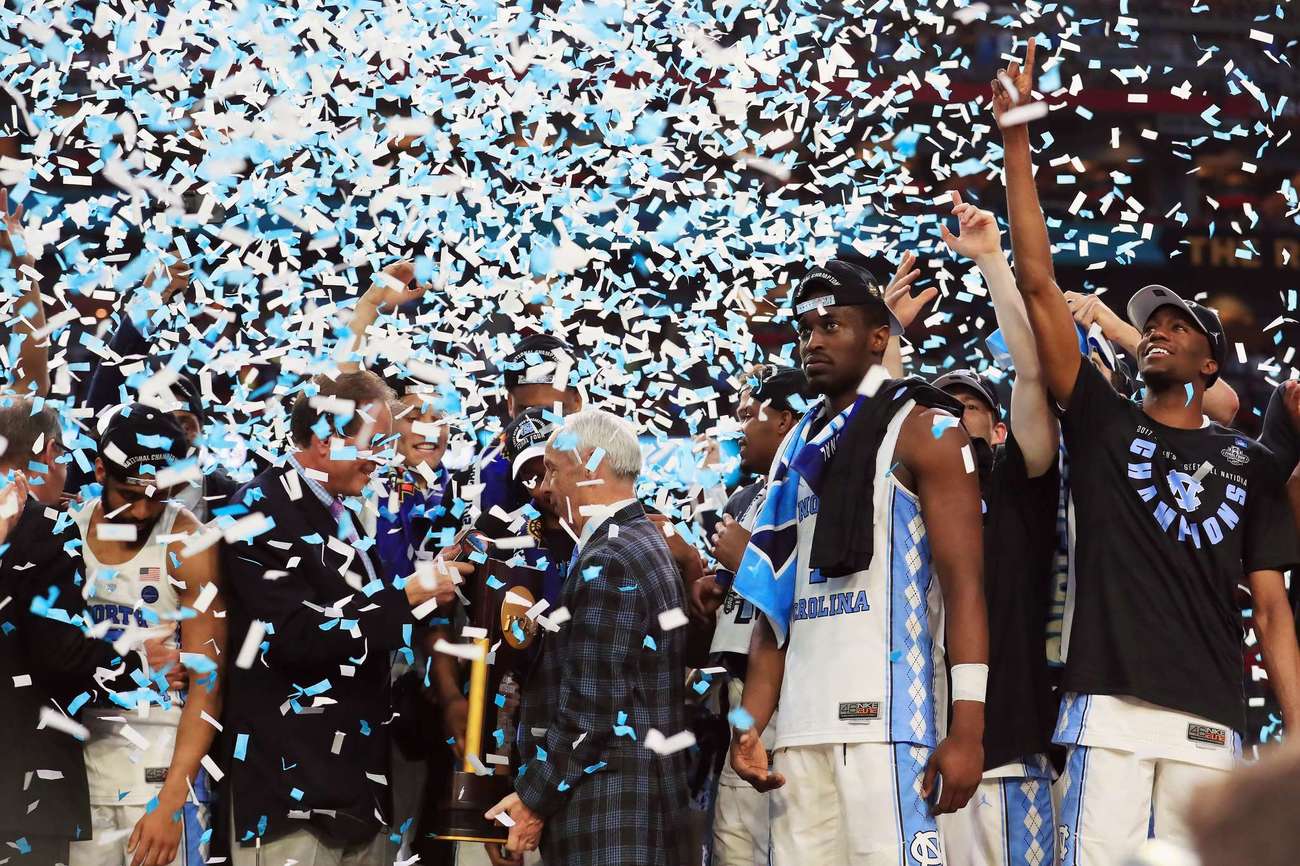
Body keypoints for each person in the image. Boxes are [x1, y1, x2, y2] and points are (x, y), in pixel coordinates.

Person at [998, 40, 1300, 863]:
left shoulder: (1248, 462)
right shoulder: (1103, 422)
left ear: (1211, 364)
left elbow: (1272, 608)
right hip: (1111, 707)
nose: (1159, 334)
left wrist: (1298, 739)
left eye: (1179, 328)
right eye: (1151, 326)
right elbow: (1035, 282)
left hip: (1215, 714)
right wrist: (1019, 142)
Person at [729, 258, 988, 866]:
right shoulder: (795, 445)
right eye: (806, 330)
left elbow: (967, 587)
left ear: (879, 337)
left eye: (832, 326)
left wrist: (969, 729)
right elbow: (775, 603)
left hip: (893, 724)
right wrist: (751, 723)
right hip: (800, 729)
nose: (812, 342)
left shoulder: (928, 430)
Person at [220, 369, 466, 864]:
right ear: (327, 439)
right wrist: (409, 594)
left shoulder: (343, 512)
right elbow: (297, 636)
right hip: (291, 794)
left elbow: (365, 624)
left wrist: (426, 594)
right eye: (376, 442)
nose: (384, 458)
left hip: (356, 788)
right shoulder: (255, 512)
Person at [486, 409, 690, 866]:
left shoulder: (613, 557)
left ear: (592, 465)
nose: (545, 488)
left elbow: (592, 709)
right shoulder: (634, 542)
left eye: (554, 471)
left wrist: (533, 799)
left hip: (613, 814)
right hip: (629, 807)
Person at [924, 195, 1063, 866]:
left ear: (999, 428)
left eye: (970, 407)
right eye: (941, 409)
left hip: (1008, 754)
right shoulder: (905, 501)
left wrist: (990, 264)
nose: (953, 417)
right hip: (917, 754)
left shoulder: (1016, 483)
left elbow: (1033, 371)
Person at [0, 404, 174, 863]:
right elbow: (60, 656)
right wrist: (138, 664)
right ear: (51, 452)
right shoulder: (48, 529)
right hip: (25, 795)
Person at [68, 406, 226, 866]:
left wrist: (173, 797)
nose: (140, 510)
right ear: (99, 468)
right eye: (127, 494)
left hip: (157, 770)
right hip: (77, 769)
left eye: (155, 496)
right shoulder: (66, 530)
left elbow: (206, 683)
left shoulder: (187, 543)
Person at [693, 365, 808, 866]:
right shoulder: (745, 497)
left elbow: (816, 595)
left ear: (785, 420)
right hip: (739, 701)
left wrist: (746, 563)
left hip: (791, 702)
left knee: (785, 842)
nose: (740, 426)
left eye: (750, 414)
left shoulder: (810, 488)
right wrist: (710, 587)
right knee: (731, 845)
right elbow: (733, 600)